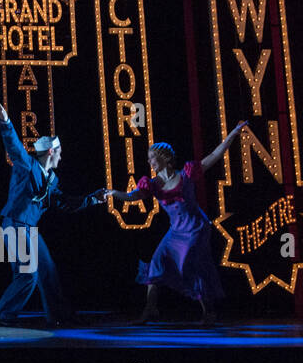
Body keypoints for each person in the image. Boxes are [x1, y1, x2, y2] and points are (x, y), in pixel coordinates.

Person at [105, 120, 245, 324]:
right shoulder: (152, 184)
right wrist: (114, 193)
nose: (150, 162)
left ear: (164, 158)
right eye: (149, 158)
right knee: (156, 263)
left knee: (192, 265)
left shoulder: (186, 174)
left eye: (153, 157)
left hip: (196, 228)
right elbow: (133, 197)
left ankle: (209, 312)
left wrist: (233, 133)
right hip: (176, 231)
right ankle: (150, 309)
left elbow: (214, 156)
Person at [0, 103, 106, 327]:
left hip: (29, 229)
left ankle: (60, 316)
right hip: (15, 224)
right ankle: (4, 315)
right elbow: (14, 147)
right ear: (51, 152)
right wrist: (6, 123)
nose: (61, 158)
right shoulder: (28, 166)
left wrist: (93, 198)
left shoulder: (52, 179)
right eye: (60, 153)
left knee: (47, 270)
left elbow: (64, 203)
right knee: (27, 274)